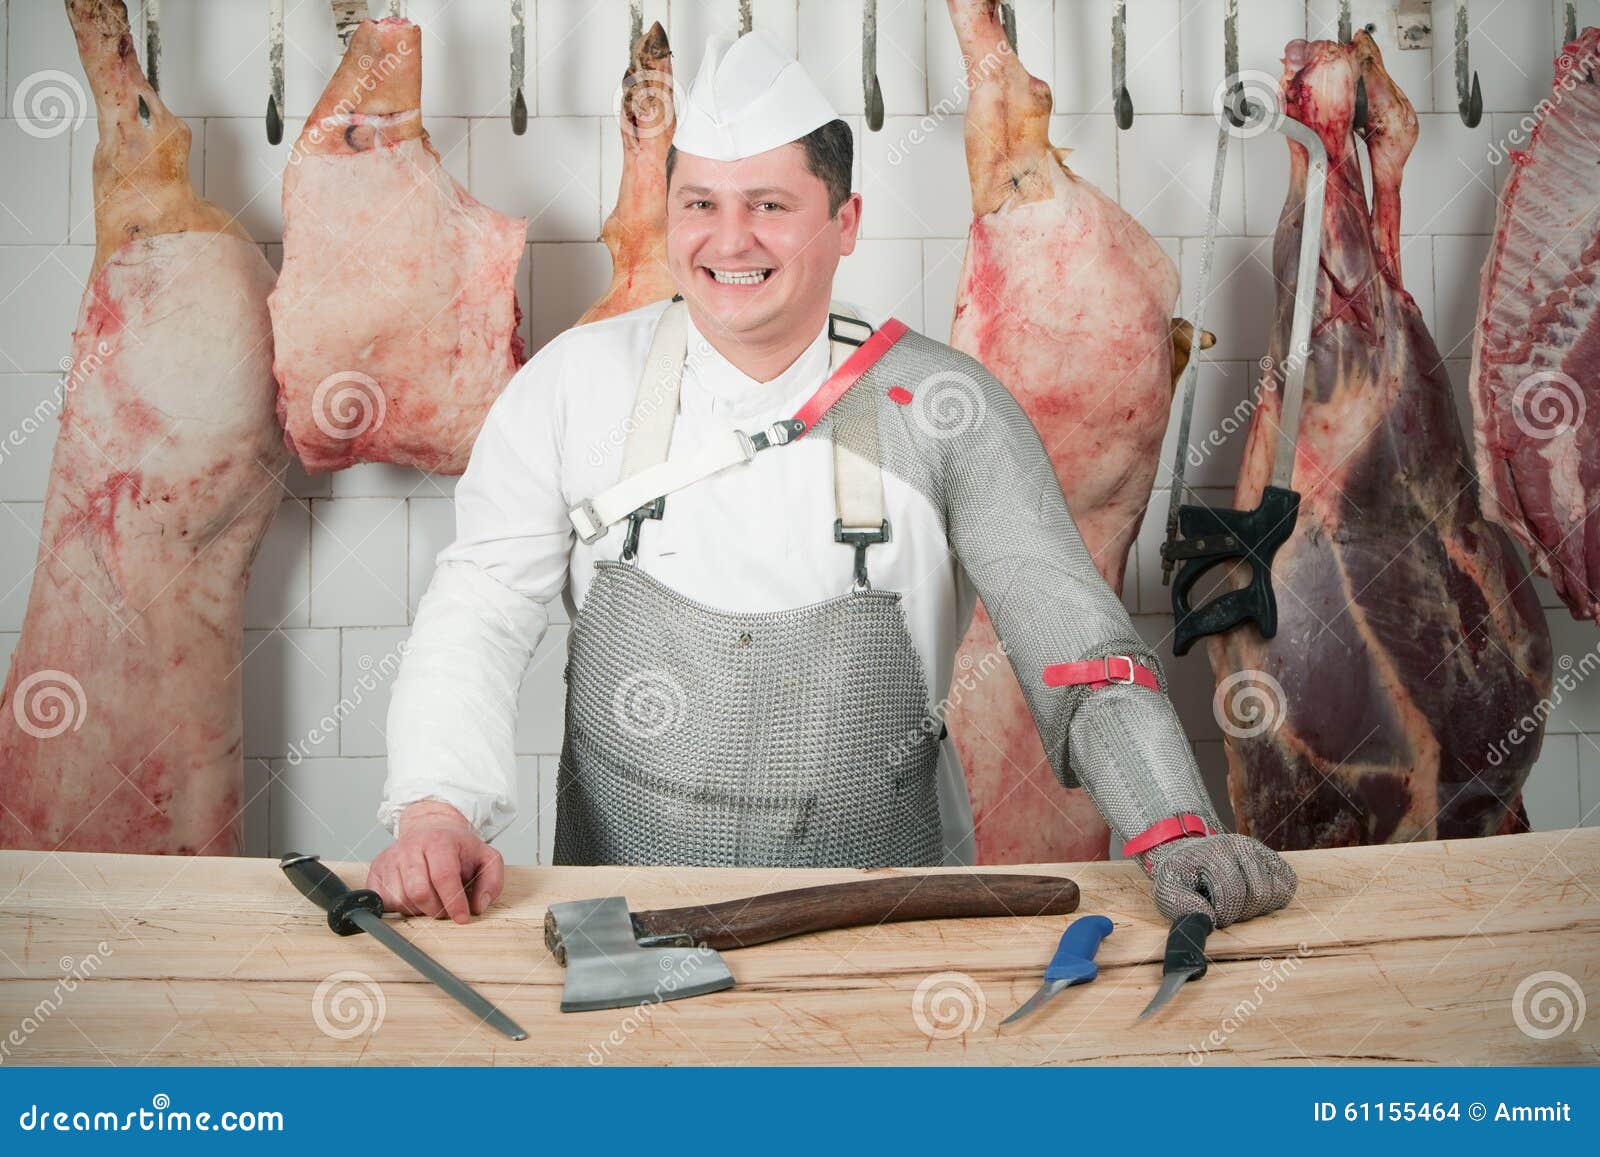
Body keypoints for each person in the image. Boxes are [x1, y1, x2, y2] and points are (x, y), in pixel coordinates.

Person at [366, 30, 1295, 929]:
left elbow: (1078, 646)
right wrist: (437, 807)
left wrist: (1174, 824)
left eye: (769, 204)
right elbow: (481, 604)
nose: (729, 239)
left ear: (845, 222)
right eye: (699, 203)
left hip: (892, 926)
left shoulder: (945, 402)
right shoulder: (569, 385)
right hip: (624, 925)